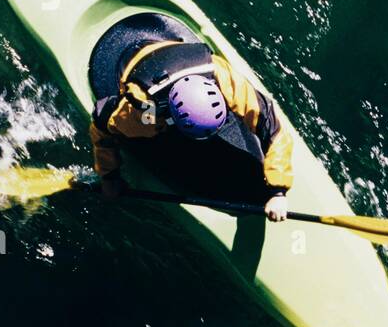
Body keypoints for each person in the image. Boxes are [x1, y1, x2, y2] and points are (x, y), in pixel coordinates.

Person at [88, 22, 293, 221]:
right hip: (137, 73)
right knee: (144, 136)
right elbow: (101, 125)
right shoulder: (145, 111)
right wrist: (109, 176)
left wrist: (278, 191)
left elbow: (271, 125)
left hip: (171, 52)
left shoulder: (219, 73)